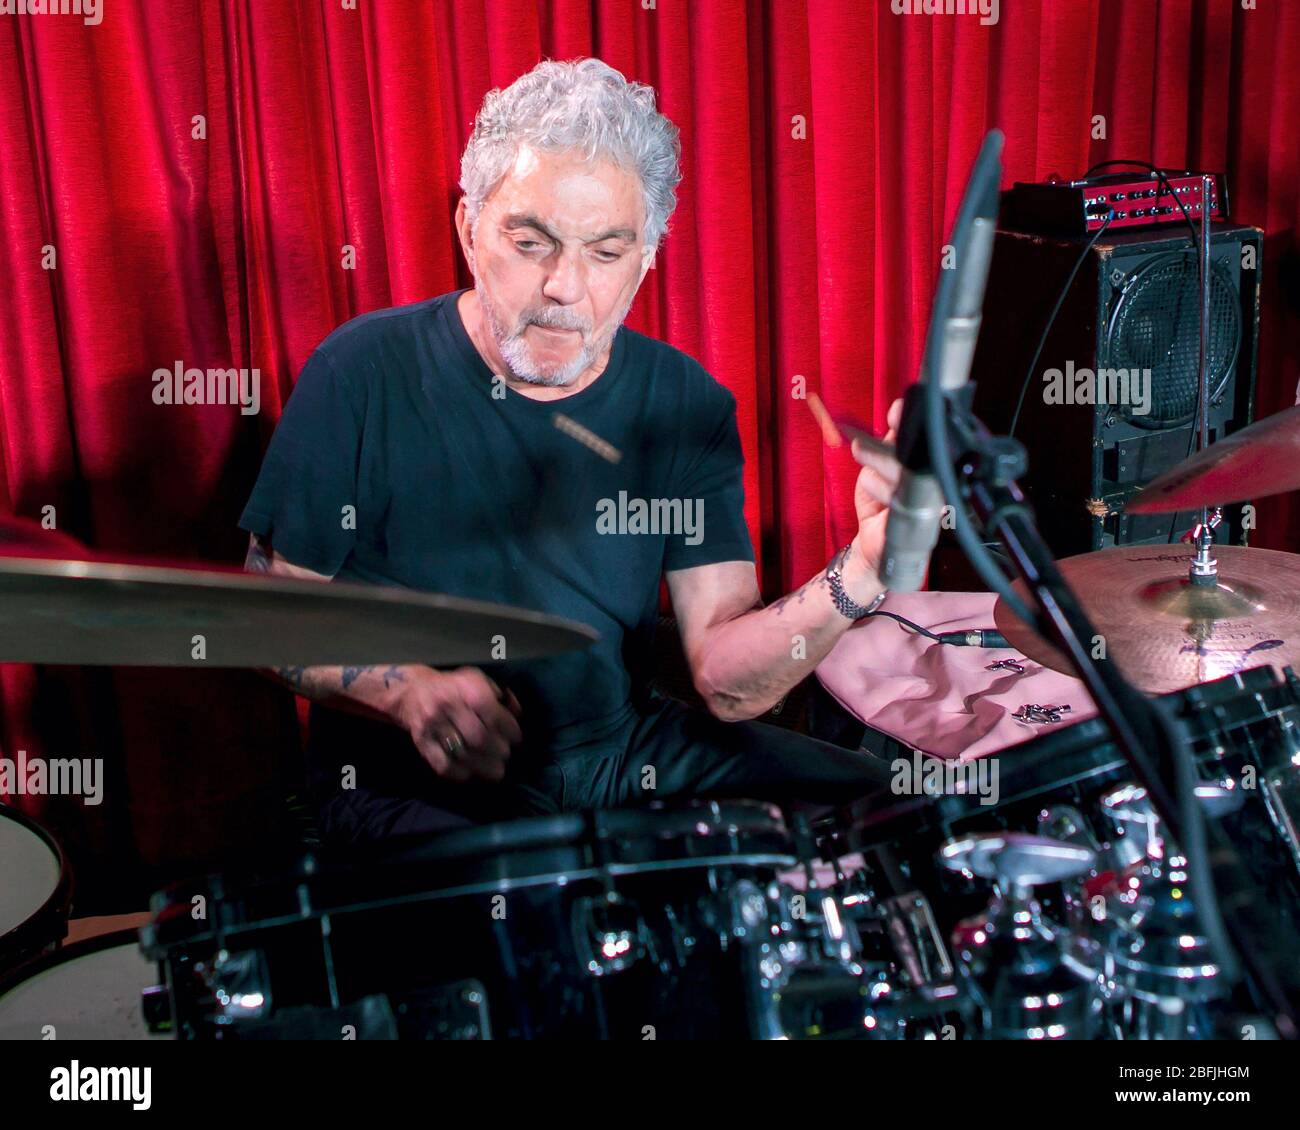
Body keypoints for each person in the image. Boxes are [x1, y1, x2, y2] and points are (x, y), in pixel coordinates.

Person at [240, 58, 913, 846]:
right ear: (469, 230)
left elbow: (727, 683)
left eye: (605, 252)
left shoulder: (686, 402)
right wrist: (405, 689)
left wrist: (864, 568)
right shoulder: (361, 371)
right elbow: (265, 614)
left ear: (647, 258)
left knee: (895, 814)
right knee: (518, 904)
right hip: (409, 774)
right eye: (532, 243)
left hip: (621, 755)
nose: (565, 286)